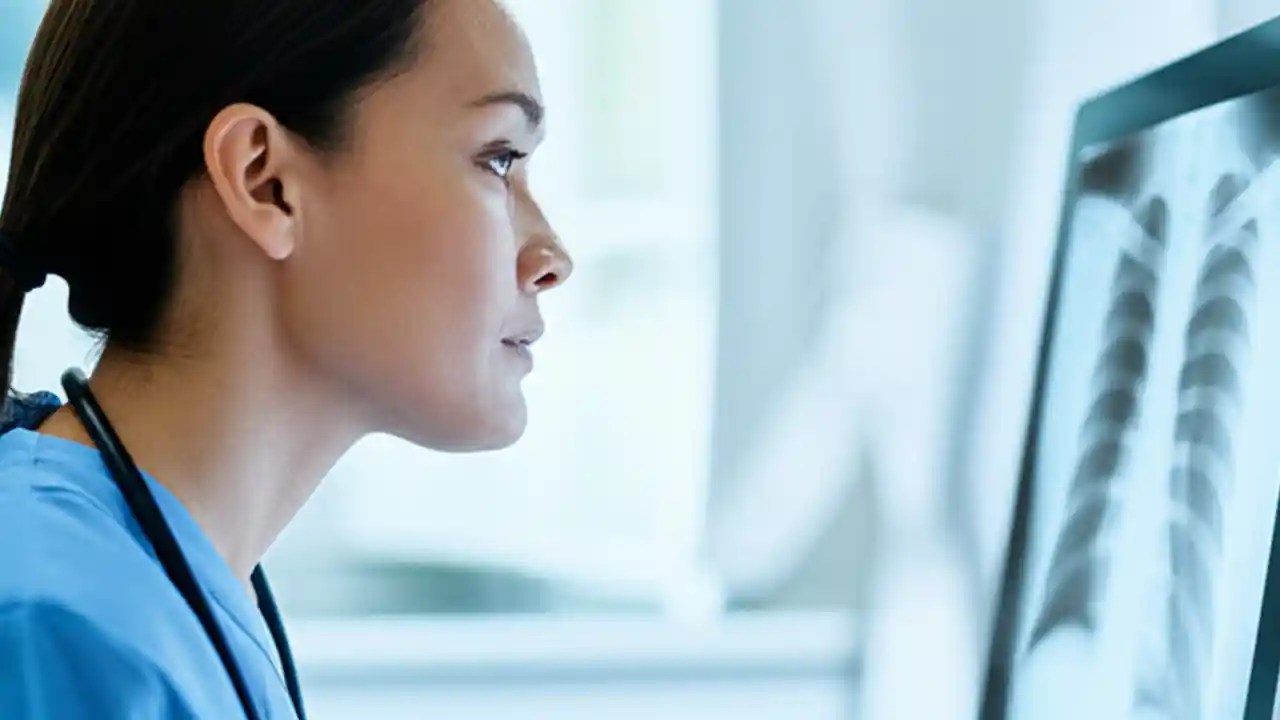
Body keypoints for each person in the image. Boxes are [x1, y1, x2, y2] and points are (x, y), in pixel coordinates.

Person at [0, 0, 572, 716]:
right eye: (498, 159)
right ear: (263, 181)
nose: (552, 258)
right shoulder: (62, 627)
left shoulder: (152, 593)